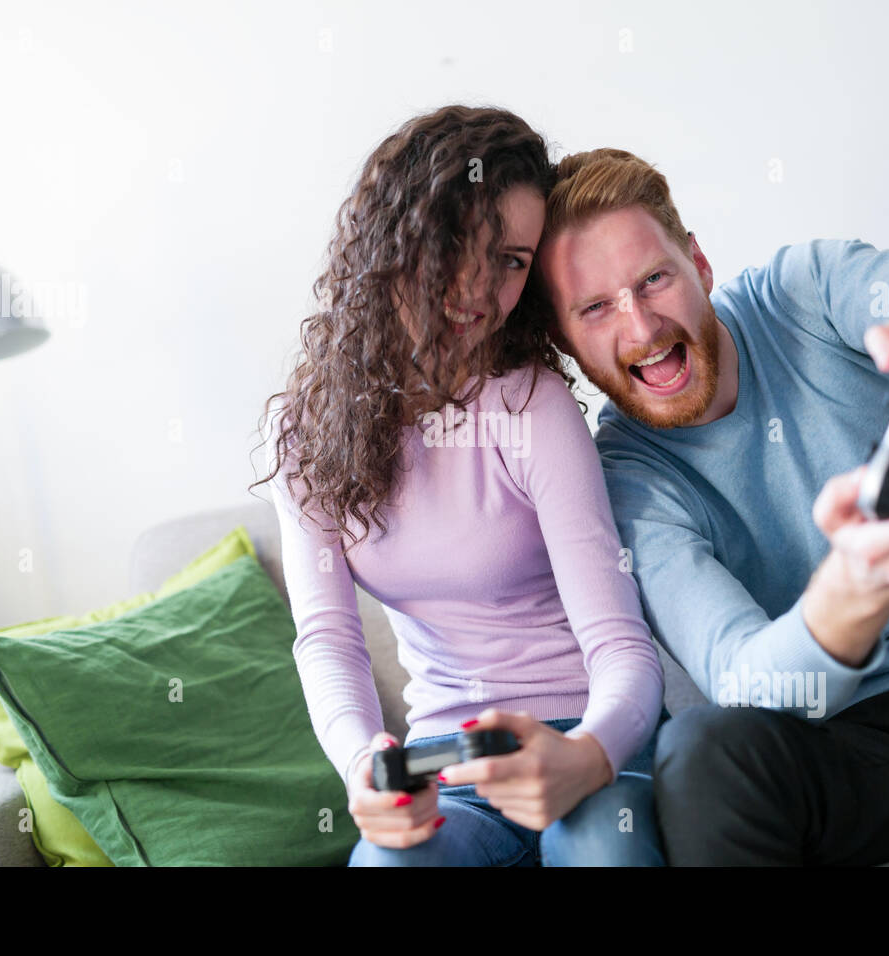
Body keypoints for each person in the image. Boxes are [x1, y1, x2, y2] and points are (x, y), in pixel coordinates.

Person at [529, 146, 889, 865]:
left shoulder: (802, 290)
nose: (643, 328)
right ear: (565, 339)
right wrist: (847, 605)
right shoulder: (627, 480)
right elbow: (742, 681)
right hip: (856, 749)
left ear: (699, 263)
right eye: (596, 308)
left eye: (654, 279)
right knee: (702, 753)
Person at [254, 110, 666, 866]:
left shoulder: (528, 406)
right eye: (461, 246)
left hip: (584, 742)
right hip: (447, 766)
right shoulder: (308, 441)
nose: (482, 286)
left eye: (511, 260)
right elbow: (329, 642)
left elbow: (621, 646)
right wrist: (361, 768)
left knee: (607, 852)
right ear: (399, 236)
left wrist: (589, 755)